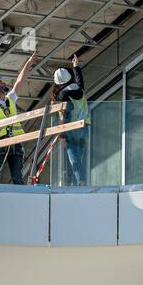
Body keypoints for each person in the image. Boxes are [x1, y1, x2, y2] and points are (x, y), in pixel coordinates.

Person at [0, 52, 37, 185]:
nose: (3, 83)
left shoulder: (10, 99)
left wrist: (28, 63)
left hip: (15, 142)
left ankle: (22, 198)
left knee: (17, 176)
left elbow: (20, 80)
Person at [52, 53, 91, 187]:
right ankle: (78, 181)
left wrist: (62, 134)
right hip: (85, 126)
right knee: (79, 156)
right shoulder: (78, 88)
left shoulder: (63, 94)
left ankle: (79, 182)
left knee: (73, 156)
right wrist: (76, 67)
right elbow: (80, 81)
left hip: (72, 128)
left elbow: (66, 114)